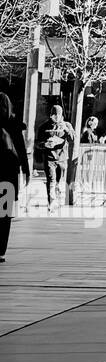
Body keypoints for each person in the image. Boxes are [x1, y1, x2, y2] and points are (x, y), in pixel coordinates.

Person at [0, 94, 27, 262]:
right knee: (4, 214)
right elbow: (21, 149)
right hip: (8, 174)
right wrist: (26, 170)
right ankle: (0, 250)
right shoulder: (14, 125)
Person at [36, 105, 75, 211]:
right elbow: (37, 143)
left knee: (58, 181)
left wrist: (66, 129)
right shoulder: (44, 127)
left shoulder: (67, 125)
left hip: (62, 158)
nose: (57, 117)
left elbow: (72, 139)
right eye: (55, 115)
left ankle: (56, 200)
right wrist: (45, 144)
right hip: (49, 158)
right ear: (51, 115)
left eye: (59, 115)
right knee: (51, 180)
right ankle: (52, 202)